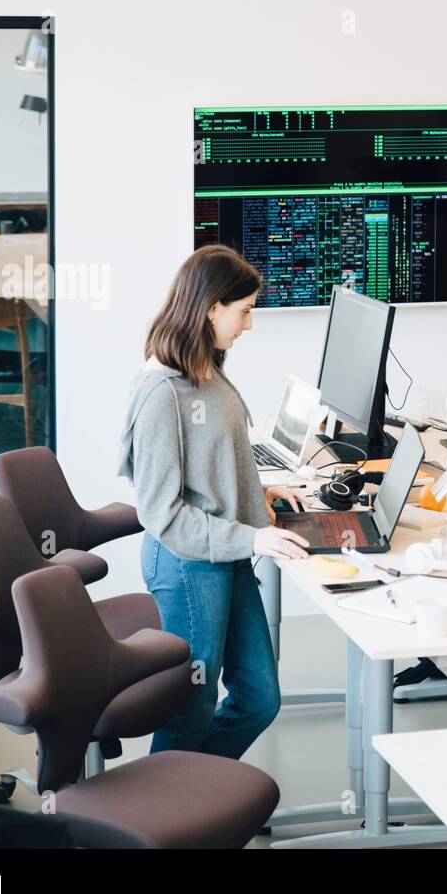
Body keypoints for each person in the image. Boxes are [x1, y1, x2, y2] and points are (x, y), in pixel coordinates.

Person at [118, 245, 311, 758]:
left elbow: (212, 460)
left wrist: (258, 492)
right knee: (191, 707)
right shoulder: (164, 393)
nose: (248, 325)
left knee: (259, 699)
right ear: (210, 308)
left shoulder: (204, 366)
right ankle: (168, 821)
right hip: (186, 565)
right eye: (244, 310)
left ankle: (198, 790)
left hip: (224, 555)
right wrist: (253, 535)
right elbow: (163, 513)